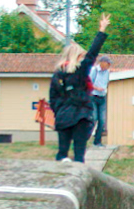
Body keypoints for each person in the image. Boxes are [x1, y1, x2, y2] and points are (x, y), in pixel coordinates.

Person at [47, 14, 110, 164]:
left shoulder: (57, 75)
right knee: (79, 153)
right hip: (81, 114)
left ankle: (59, 178)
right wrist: (101, 30)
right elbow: (93, 53)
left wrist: (60, 111)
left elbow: (53, 98)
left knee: (62, 152)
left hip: (63, 115)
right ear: (77, 57)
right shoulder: (80, 71)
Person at [89, 56, 112, 146]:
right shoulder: (94, 71)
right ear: (102, 63)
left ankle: (97, 141)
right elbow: (89, 83)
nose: (109, 65)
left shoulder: (107, 72)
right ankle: (85, 136)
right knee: (94, 118)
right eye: (107, 63)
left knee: (102, 120)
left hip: (102, 97)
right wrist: (97, 88)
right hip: (93, 96)